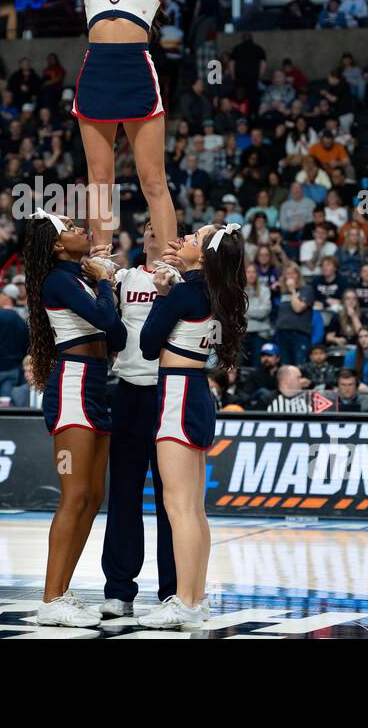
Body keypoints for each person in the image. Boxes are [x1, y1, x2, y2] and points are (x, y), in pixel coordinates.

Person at [40, 0, 206, 260]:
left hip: (136, 72)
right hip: (96, 74)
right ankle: (100, 262)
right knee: (99, 180)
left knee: (153, 179)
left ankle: (169, 265)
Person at [138, 222, 245, 628]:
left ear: (203, 255)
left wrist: (162, 295)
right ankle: (195, 599)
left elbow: (149, 345)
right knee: (194, 510)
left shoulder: (184, 291)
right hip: (199, 391)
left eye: (194, 238)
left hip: (178, 393)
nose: (184, 239)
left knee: (178, 507)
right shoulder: (218, 294)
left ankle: (184, 601)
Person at [24, 209, 125, 627]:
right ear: (57, 246)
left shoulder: (77, 279)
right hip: (73, 389)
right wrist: (104, 283)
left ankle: (63, 592)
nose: (80, 228)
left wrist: (101, 286)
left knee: (92, 497)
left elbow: (116, 334)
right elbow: (107, 321)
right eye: (69, 228)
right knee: (74, 495)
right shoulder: (59, 280)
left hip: (95, 386)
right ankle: (51, 598)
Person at [100, 221, 176, 619]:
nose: (153, 233)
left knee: (173, 501)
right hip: (129, 391)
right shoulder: (125, 276)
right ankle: (119, 589)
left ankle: (175, 591)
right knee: (124, 496)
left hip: (170, 394)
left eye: (160, 227)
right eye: (147, 228)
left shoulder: (183, 282)